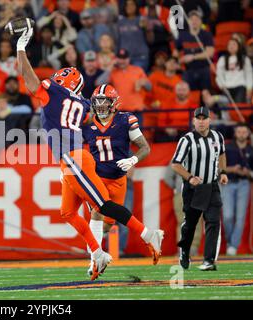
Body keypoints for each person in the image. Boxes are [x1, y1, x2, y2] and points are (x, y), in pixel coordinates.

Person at [16, 24, 163, 280]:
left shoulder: (56, 91)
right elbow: (89, 116)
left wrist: (20, 49)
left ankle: (148, 233)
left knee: (102, 206)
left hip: (74, 158)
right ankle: (97, 253)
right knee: (68, 212)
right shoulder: (81, 102)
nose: (57, 78)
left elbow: (30, 81)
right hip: (70, 159)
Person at [82, 84, 151, 274]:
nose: (102, 106)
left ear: (114, 103)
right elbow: (72, 147)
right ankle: (94, 261)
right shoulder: (86, 124)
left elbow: (145, 147)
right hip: (97, 177)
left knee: (107, 224)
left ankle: (97, 255)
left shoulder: (126, 120)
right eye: (98, 102)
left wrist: (133, 159)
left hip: (119, 179)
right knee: (96, 212)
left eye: (106, 102)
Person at [172, 106, 228, 271]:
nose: (202, 122)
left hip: (212, 186)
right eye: (199, 118)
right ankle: (184, 251)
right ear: (194, 121)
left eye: (205, 118)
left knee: (213, 221)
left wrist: (223, 172)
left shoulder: (218, 136)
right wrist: (190, 177)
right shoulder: (187, 139)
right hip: (193, 189)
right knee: (190, 223)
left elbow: (222, 154)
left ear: (210, 120)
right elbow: (175, 164)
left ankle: (209, 260)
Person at [221, 123, 253, 256]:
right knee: (227, 216)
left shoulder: (251, 150)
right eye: (239, 132)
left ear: (248, 134)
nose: (241, 134)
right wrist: (232, 169)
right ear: (235, 133)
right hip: (228, 183)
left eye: (244, 132)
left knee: (240, 217)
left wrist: (247, 173)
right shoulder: (227, 148)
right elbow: (219, 168)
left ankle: (233, 246)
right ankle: (230, 242)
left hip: (244, 183)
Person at [174, 10, 214, 93]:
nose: (194, 21)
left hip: (203, 69)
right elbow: (175, 52)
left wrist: (193, 57)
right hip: (188, 70)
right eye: (191, 19)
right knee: (189, 95)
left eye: (196, 19)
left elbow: (210, 53)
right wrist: (179, 60)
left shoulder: (206, 35)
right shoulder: (183, 35)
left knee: (205, 95)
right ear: (188, 21)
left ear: (201, 21)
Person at [216, 38, 253, 104]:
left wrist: (249, 88)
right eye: (229, 44)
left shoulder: (244, 59)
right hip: (227, 87)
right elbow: (219, 74)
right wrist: (221, 85)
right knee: (227, 108)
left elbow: (249, 75)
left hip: (240, 86)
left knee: (238, 106)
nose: (231, 46)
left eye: (234, 44)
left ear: (238, 47)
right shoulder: (222, 59)